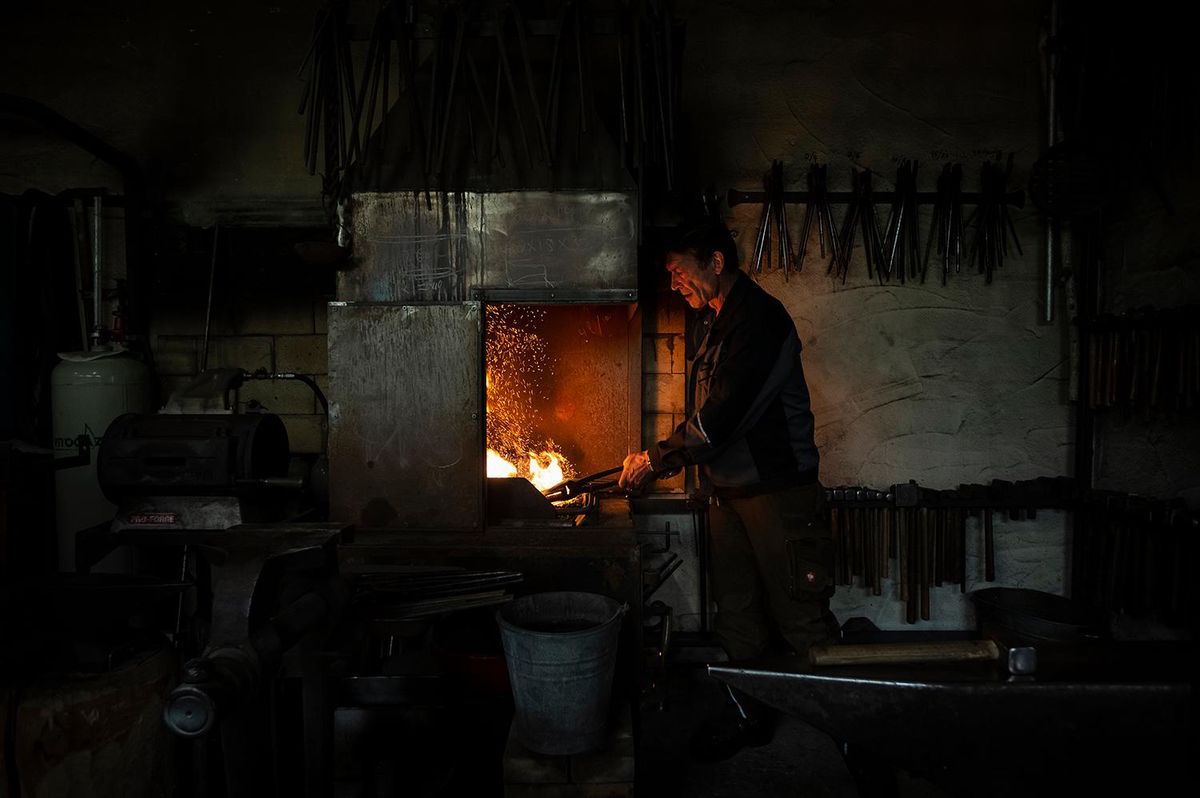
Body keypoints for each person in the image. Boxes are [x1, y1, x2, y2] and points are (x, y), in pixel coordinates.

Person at [619, 217, 837, 761]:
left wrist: (656, 458)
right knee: (736, 613)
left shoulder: (760, 321)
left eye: (678, 271)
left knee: (801, 614)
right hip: (728, 495)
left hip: (776, 495)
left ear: (716, 261)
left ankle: (856, 724)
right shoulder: (715, 322)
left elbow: (721, 419)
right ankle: (750, 717)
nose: (674, 284)